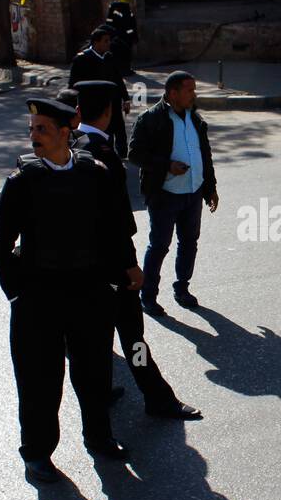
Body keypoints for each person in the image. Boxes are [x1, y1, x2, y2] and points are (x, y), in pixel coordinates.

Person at [0, 96, 137, 479]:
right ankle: (37, 454)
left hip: (89, 291)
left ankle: (99, 437)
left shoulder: (96, 173)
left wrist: (125, 267)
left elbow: (116, 227)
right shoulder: (22, 182)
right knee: (40, 381)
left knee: (94, 373)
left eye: (41, 129)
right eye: (31, 130)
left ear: (64, 131)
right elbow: (0, 246)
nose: (33, 136)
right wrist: (18, 295)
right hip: (39, 298)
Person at [65, 82, 203, 422]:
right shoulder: (100, 154)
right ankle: (155, 397)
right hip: (112, 268)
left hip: (85, 268)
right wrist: (130, 266)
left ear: (79, 111)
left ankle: (110, 391)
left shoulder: (73, 145)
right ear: (111, 113)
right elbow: (113, 221)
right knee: (133, 339)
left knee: (100, 340)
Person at [128, 71, 218, 317]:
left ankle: (182, 288)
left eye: (194, 89)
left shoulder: (195, 118)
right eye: (189, 90)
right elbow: (135, 154)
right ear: (173, 93)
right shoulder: (151, 119)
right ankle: (148, 296)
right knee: (159, 245)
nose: (194, 94)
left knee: (189, 242)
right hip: (165, 194)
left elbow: (205, 155)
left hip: (193, 191)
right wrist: (167, 165)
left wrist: (210, 188)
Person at [67, 26, 129, 156]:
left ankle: (122, 154)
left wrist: (126, 98)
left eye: (109, 41)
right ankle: (103, 154)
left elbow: (118, 79)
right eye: (105, 41)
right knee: (101, 131)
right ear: (96, 42)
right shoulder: (82, 59)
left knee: (118, 128)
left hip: (113, 102)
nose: (108, 44)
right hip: (94, 104)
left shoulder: (109, 57)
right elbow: (73, 85)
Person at [106, 0, 139, 74]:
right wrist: (134, 36)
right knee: (126, 53)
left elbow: (108, 21)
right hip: (125, 37)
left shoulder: (113, 7)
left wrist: (109, 33)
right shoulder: (127, 9)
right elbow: (131, 25)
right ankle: (126, 69)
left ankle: (121, 69)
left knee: (117, 53)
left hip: (115, 36)